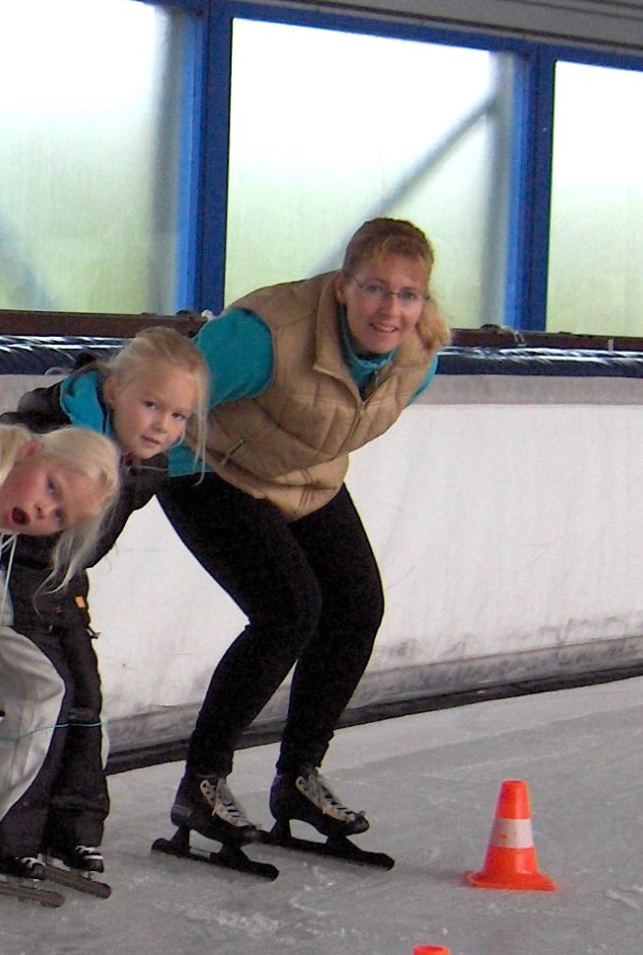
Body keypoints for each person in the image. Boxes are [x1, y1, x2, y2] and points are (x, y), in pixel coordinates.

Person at [159, 218, 449, 854]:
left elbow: (326, 423)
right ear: (343, 287)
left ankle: (298, 778)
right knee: (289, 610)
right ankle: (201, 782)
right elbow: (159, 388)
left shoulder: (416, 359)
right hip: (207, 465)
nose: (390, 309)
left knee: (357, 606)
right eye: (376, 289)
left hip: (301, 476)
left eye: (407, 295)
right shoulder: (267, 336)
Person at [0, 328, 205, 890]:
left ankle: (70, 830)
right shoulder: (50, 429)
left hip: (55, 588)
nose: (163, 424)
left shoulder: (145, 464)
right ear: (113, 391)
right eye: (151, 404)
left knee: (85, 698)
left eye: (179, 415)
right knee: (45, 694)